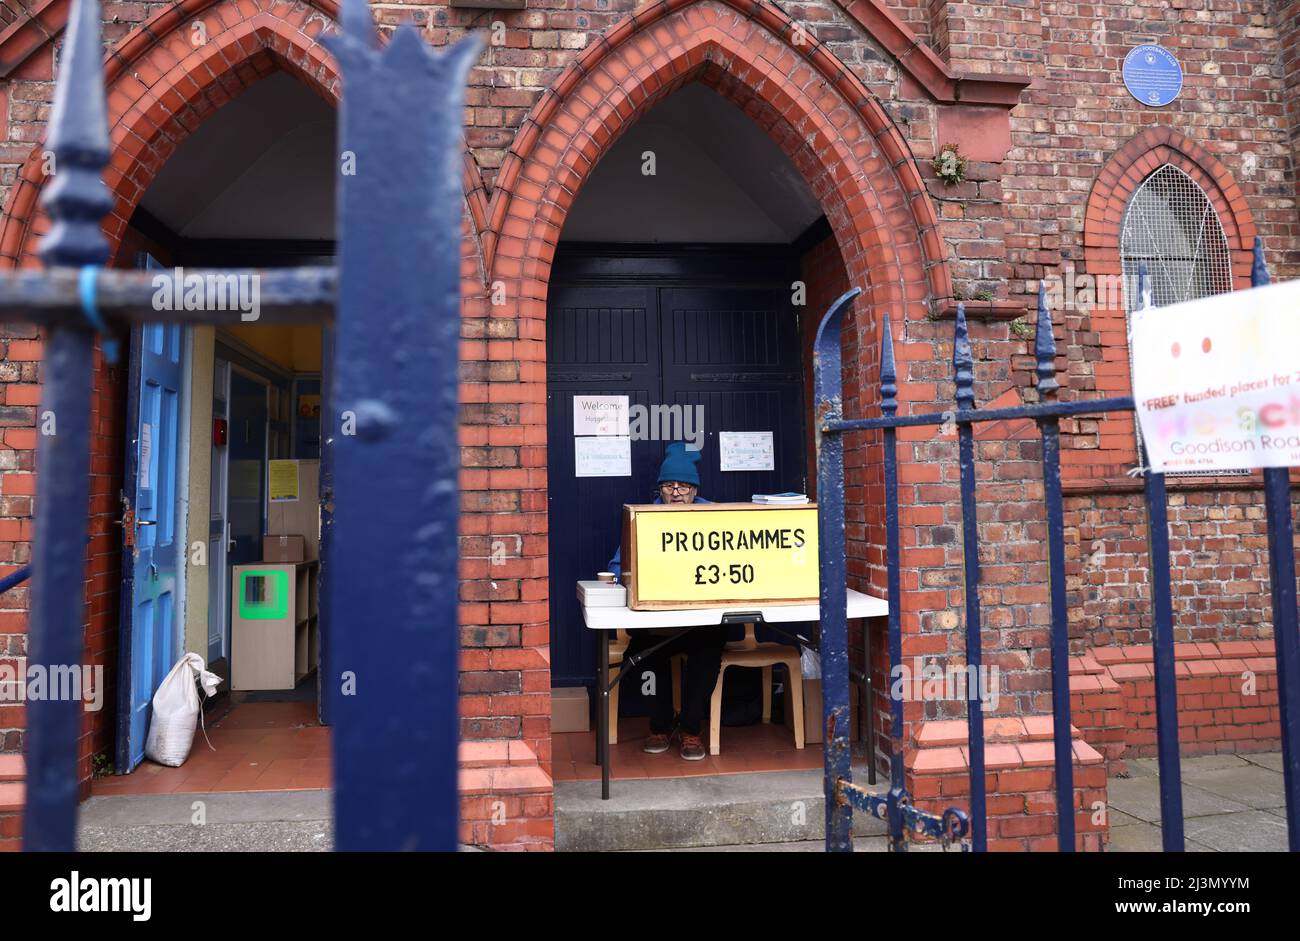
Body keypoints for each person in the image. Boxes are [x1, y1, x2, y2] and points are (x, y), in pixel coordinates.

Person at [607, 442, 725, 761]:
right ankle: (659, 726)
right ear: (659, 489)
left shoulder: (715, 515)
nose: (675, 492)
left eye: (683, 486)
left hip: (701, 622)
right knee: (642, 657)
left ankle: (690, 730)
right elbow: (619, 566)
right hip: (656, 622)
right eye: (669, 486)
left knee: (708, 652)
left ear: (694, 489)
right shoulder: (642, 518)